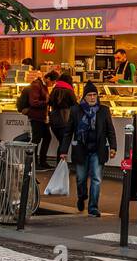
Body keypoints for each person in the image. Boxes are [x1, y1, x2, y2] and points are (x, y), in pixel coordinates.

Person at [71, 82, 116, 216]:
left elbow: (110, 130)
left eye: (94, 95)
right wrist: (63, 150)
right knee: (81, 178)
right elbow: (68, 131)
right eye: (89, 95)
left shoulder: (104, 110)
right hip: (81, 149)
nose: (92, 97)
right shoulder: (76, 110)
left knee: (96, 179)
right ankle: (81, 196)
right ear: (84, 97)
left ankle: (93, 207)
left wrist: (113, 147)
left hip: (98, 149)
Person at [21, 70, 51, 169]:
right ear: (48, 79)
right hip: (36, 116)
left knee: (46, 137)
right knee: (36, 140)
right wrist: (46, 102)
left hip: (41, 117)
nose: (53, 84)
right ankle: (35, 162)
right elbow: (34, 102)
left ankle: (41, 161)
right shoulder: (37, 85)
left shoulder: (42, 85)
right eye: (53, 81)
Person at [47, 72, 78, 162]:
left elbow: (49, 102)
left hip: (54, 121)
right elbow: (75, 105)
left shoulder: (54, 90)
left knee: (62, 143)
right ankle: (60, 165)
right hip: (65, 120)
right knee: (63, 144)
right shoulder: (69, 91)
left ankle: (60, 166)